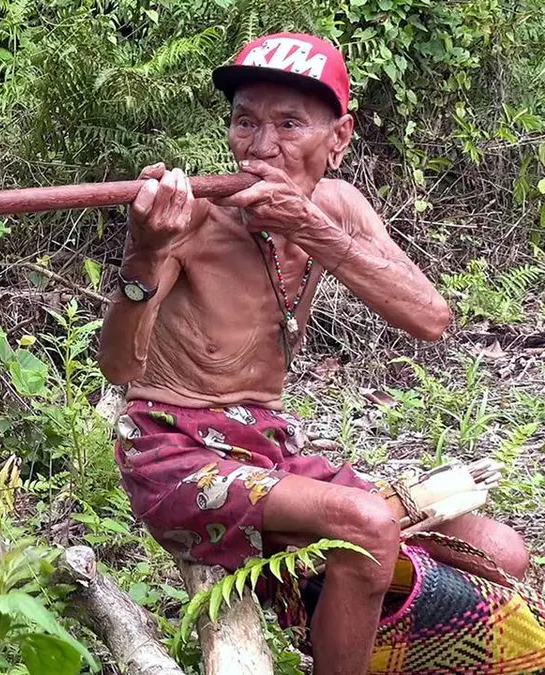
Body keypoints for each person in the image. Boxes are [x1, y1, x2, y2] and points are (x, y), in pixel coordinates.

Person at [97, 32, 529, 674]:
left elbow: (431, 319)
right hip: (172, 453)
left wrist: (310, 227)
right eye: (246, 122)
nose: (261, 147)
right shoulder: (191, 219)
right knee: (365, 526)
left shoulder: (338, 208)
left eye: (289, 124)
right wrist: (144, 253)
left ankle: (352, 630)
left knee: (500, 550)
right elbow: (119, 368)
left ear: (340, 138)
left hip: (267, 449)